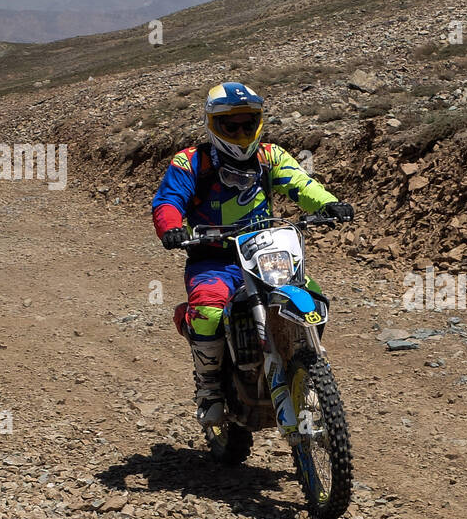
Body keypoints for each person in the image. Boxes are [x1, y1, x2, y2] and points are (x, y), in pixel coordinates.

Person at [152, 81, 354, 425]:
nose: (241, 131)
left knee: (313, 296)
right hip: (213, 258)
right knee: (209, 309)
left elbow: (302, 185)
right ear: (213, 124)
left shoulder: (270, 156)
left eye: (248, 122)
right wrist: (171, 227)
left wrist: (330, 204)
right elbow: (169, 200)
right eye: (231, 125)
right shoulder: (191, 162)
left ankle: (303, 363)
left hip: (266, 254)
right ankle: (210, 387)